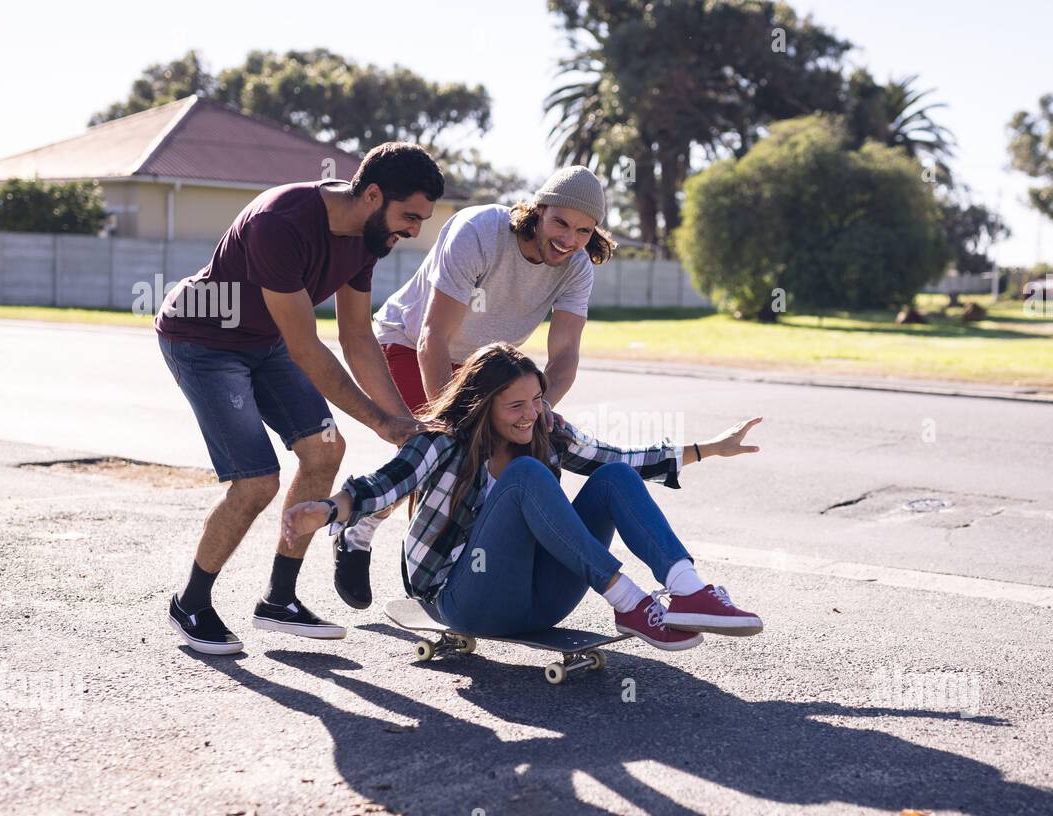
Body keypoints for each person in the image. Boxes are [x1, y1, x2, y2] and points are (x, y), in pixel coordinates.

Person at [157, 142, 443, 656]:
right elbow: (308, 349)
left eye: (421, 219)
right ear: (372, 194)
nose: (414, 231)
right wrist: (380, 422)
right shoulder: (280, 221)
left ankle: (278, 600)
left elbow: (356, 335)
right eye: (409, 216)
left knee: (325, 451)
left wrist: (404, 421)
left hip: (264, 342)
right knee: (256, 481)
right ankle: (190, 603)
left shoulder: (368, 236)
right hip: (204, 341)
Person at [285, 343, 764, 648]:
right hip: (462, 599)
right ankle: (631, 603)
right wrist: (331, 509)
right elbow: (386, 482)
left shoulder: (546, 429)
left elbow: (625, 460)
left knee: (614, 478)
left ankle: (688, 589)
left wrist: (708, 449)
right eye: (515, 405)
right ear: (480, 406)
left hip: (542, 602)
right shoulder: (440, 440)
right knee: (528, 477)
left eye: (537, 400)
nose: (531, 415)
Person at [331, 166, 616, 611]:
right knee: (435, 451)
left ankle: (465, 567)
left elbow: (563, 358)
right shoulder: (480, 231)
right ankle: (359, 530)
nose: (570, 238)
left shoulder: (576, 266)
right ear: (538, 211)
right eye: (560, 222)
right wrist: (450, 426)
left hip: (484, 369)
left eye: (584, 230)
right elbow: (433, 337)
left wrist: (532, 412)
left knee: (480, 460)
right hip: (409, 343)